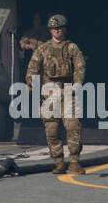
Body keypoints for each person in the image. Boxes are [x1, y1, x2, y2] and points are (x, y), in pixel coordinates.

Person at [25, 13, 87, 175]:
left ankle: (74, 161)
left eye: (59, 28)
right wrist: (31, 87)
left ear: (64, 29)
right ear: (50, 30)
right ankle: (59, 162)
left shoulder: (71, 47)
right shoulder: (43, 49)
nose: (57, 31)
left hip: (68, 92)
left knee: (73, 126)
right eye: (54, 28)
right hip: (49, 93)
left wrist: (77, 85)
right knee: (51, 129)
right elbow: (32, 69)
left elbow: (80, 66)